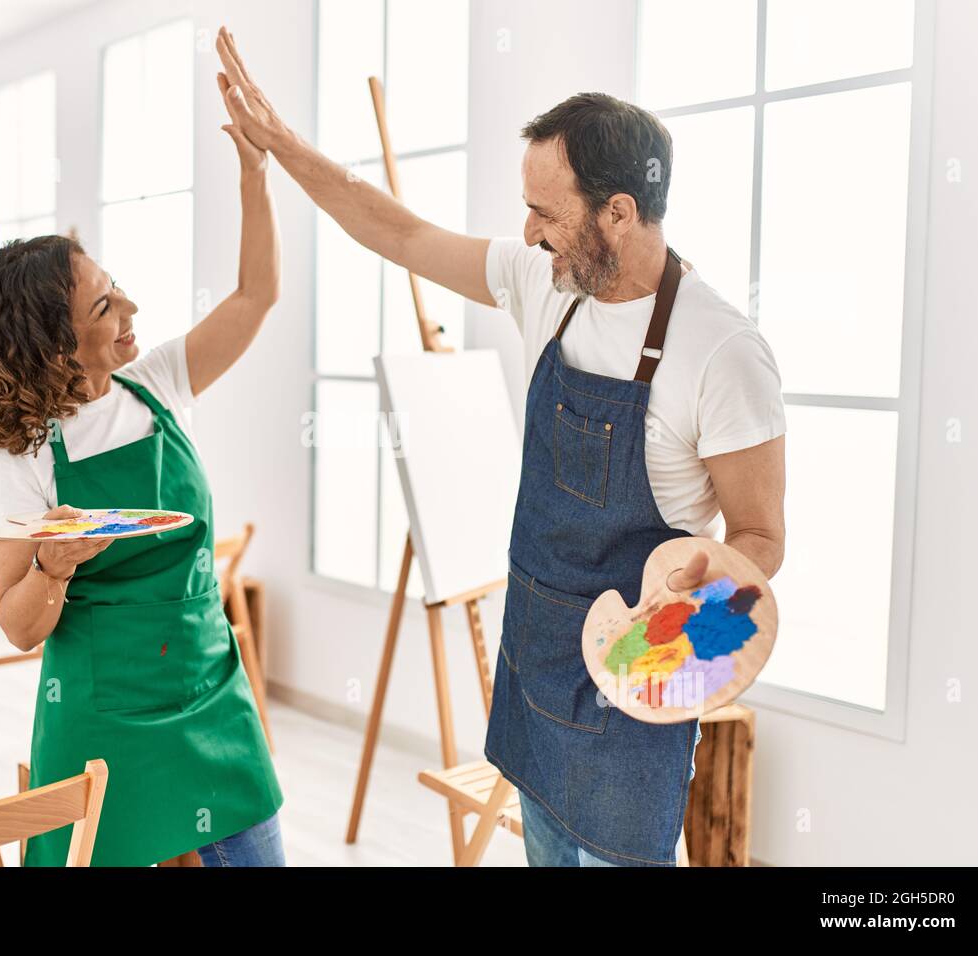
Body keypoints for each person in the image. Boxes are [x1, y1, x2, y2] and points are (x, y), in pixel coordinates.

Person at [213, 26, 785, 867]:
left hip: (633, 697)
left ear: (617, 214)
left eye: (546, 212)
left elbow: (762, 536)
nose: (526, 232)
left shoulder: (722, 351)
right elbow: (399, 234)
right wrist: (283, 147)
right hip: (535, 665)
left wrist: (683, 612)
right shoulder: (544, 285)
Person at [0, 95, 285, 867]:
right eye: (104, 304)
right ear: (57, 345)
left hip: (209, 692)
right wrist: (55, 566)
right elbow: (21, 625)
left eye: (118, 287)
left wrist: (254, 173)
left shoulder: (157, 382)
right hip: (103, 717)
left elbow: (256, 296)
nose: (132, 308)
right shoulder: (20, 455)